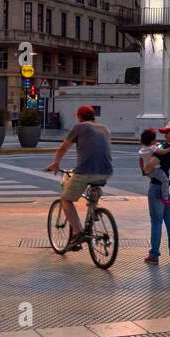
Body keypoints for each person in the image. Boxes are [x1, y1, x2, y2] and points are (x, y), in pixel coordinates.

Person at [45, 105, 114, 247]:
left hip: (85, 172)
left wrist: (56, 163)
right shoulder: (105, 129)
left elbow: (64, 147)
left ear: (79, 117)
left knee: (65, 199)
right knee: (94, 187)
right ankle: (94, 211)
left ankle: (78, 232)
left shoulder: (79, 127)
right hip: (106, 172)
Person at [138, 129, 170, 265]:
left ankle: (154, 255)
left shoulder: (162, 148)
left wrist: (146, 170)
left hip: (158, 186)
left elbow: (149, 165)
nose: (165, 135)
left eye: (168, 132)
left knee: (156, 222)